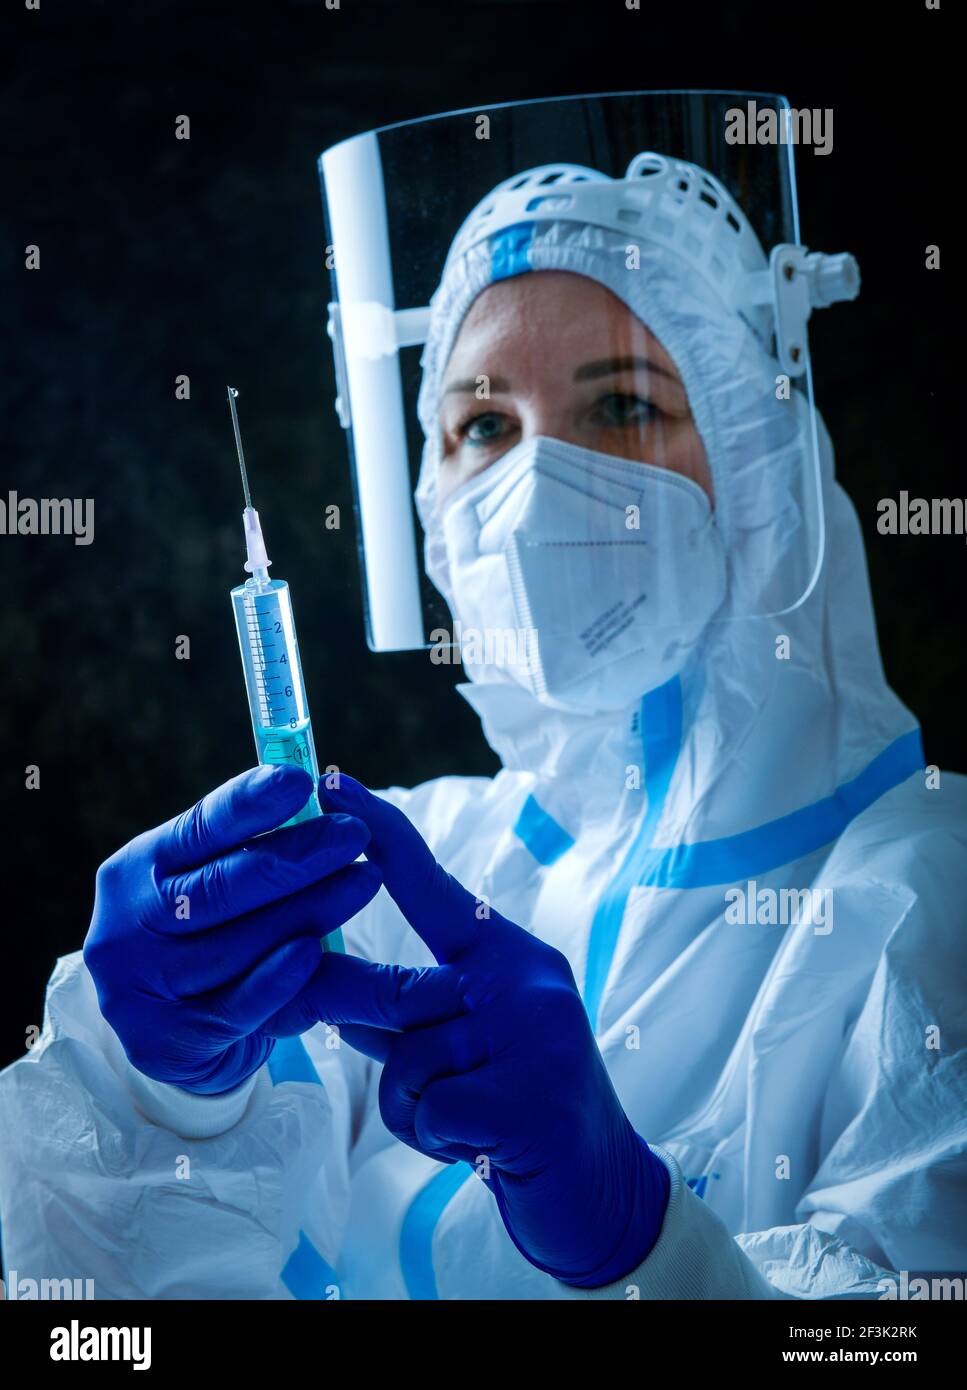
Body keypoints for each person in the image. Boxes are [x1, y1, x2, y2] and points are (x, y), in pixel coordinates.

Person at [1, 135, 965, 1302]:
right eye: (483, 426)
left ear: (756, 472)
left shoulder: (926, 895)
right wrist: (163, 1095)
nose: (535, 491)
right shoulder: (406, 868)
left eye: (619, 404)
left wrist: (646, 1242)